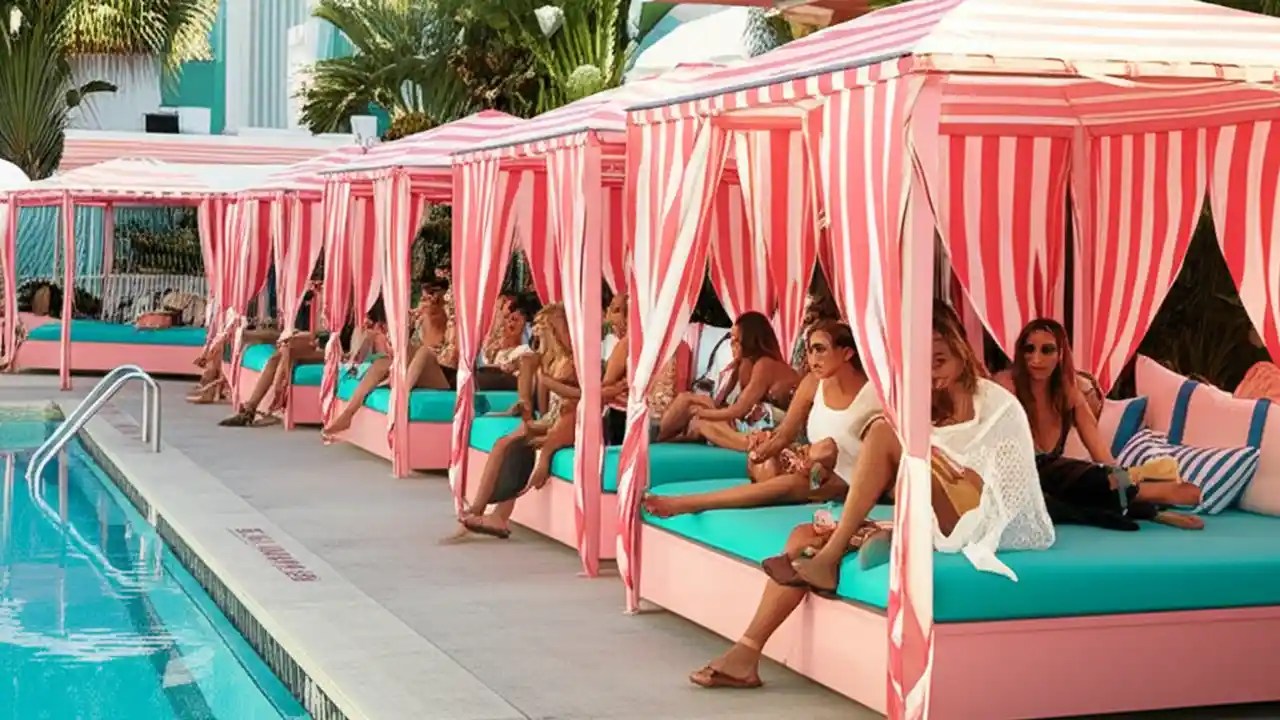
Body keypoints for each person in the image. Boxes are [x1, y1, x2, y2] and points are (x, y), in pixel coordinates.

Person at [689, 302, 1055, 690]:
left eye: (940, 360)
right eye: (922, 364)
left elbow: (1009, 499)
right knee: (800, 538)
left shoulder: (999, 407)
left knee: (881, 440)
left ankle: (841, 549)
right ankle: (747, 653)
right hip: (924, 514)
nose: (933, 374)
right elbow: (900, 487)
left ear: (962, 350)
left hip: (981, 522)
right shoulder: (918, 406)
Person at [642, 321, 872, 518]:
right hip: (816, 471)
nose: (813, 359)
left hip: (853, 481)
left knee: (807, 466)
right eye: (810, 351)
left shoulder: (873, 393)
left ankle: (686, 503)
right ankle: (666, 442)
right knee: (785, 463)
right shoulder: (812, 383)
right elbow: (784, 434)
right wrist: (758, 451)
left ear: (847, 353)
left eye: (820, 350)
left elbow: (739, 409)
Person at [999, 319, 1203, 530]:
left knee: (1081, 490)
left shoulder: (1071, 397)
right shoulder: (1007, 388)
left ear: (1061, 355)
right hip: (1017, 480)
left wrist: (1117, 478)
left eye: (1047, 350)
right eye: (1029, 349)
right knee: (1063, 494)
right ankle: (1148, 497)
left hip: (1056, 483)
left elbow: (1100, 451)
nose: (1036, 359)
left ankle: (1145, 508)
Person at [459, 304, 578, 538]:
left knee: (518, 444)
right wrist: (526, 403)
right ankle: (481, 508)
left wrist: (547, 384)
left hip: (569, 420)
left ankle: (496, 515)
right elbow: (531, 376)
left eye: (543, 328)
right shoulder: (545, 360)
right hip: (554, 417)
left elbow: (583, 396)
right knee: (505, 443)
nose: (537, 333)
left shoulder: (573, 362)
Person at [656, 312, 799, 451]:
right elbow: (724, 404)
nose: (731, 344)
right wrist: (706, 406)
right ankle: (660, 437)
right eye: (731, 339)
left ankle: (748, 443)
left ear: (750, 340)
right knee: (686, 399)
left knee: (701, 421)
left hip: (776, 426)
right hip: (749, 421)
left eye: (736, 340)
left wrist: (701, 412)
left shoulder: (765, 365)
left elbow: (739, 409)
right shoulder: (744, 365)